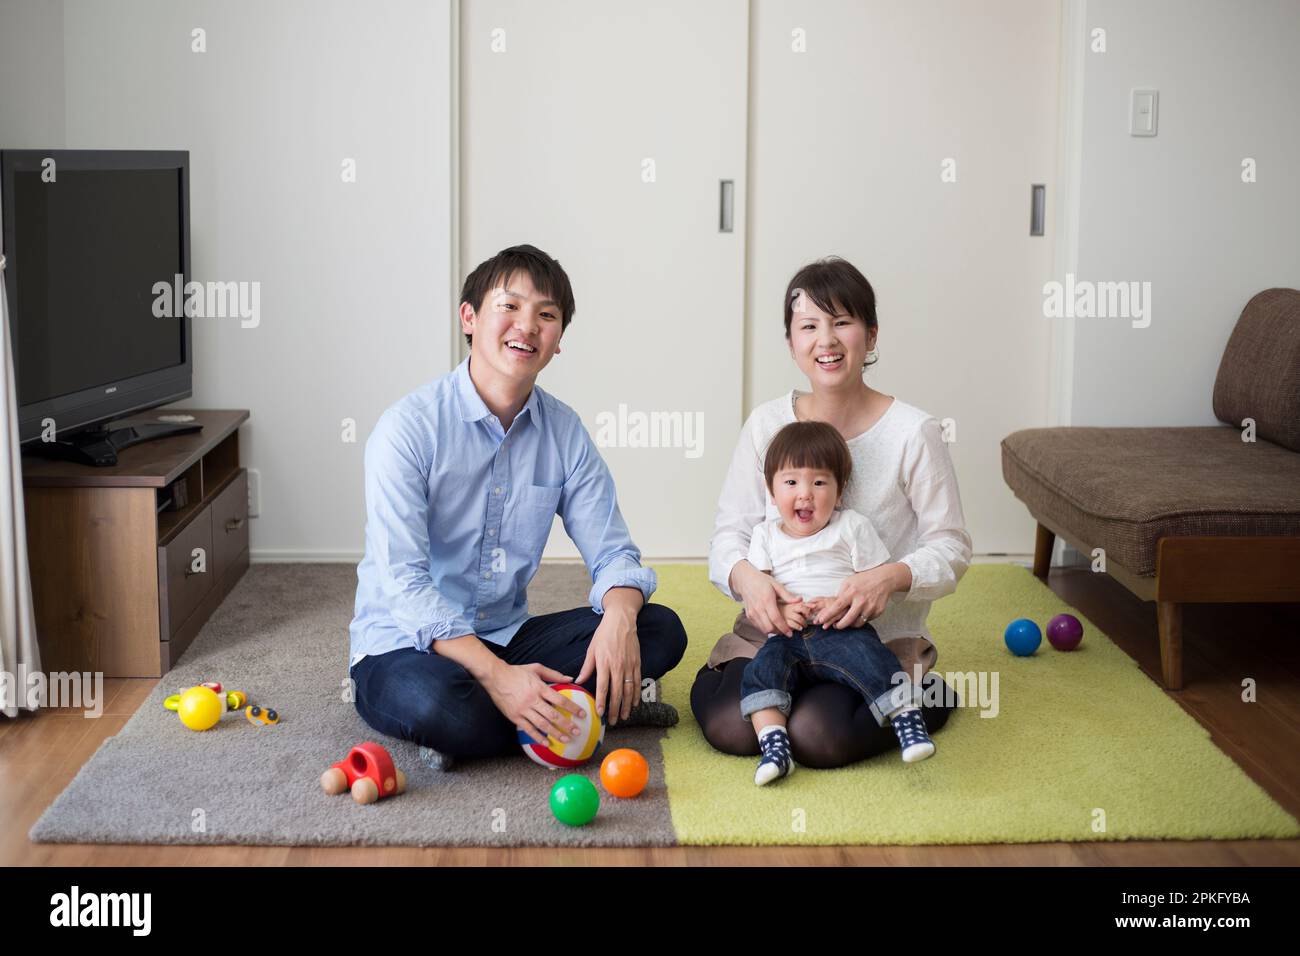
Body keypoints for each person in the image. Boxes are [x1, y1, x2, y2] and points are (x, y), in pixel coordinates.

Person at [349, 244, 687, 770]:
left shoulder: (564, 431)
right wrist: (497, 677)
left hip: (509, 634)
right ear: (470, 317)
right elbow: (405, 586)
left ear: (558, 342)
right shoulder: (407, 429)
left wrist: (620, 616)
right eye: (509, 306)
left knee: (660, 629)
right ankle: (572, 713)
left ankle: (513, 718)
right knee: (442, 705)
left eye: (546, 315)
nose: (527, 325)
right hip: (407, 646)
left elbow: (613, 551)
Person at [691, 256, 972, 768]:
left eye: (842, 321)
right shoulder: (766, 424)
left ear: (871, 334)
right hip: (780, 633)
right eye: (809, 326)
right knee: (734, 728)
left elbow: (951, 548)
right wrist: (748, 580)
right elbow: (730, 532)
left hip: (871, 640)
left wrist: (887, 578)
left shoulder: (913, 432)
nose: (827, 340)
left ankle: (928, 694)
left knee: (816, 736)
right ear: (791, 342)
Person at [739, 420, 936, 786]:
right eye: (791, 482)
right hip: (786, 635)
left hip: (841, 628)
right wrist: (781, 612)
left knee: (872, 660)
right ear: (771, 491)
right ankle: (775, 748)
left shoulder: (851, 527)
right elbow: (762, 587)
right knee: (760, 673)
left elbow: (875, 580)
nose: (805, 494)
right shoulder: (764, 536)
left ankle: (909, 723)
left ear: (840, 491)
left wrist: (845, 599)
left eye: (819, 482)